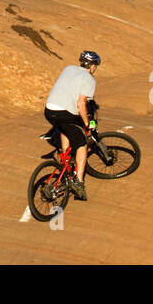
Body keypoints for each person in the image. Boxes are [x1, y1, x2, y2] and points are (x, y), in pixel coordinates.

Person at [42, 50, 100, 200]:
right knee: (81, 143)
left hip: (49, 110)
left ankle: (65, 159)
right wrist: (88, 123)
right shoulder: (89, 79)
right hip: (64, 112)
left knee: (66, 127)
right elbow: (81, 104)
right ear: (92, 66)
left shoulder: (69, 68)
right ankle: (79, 182)